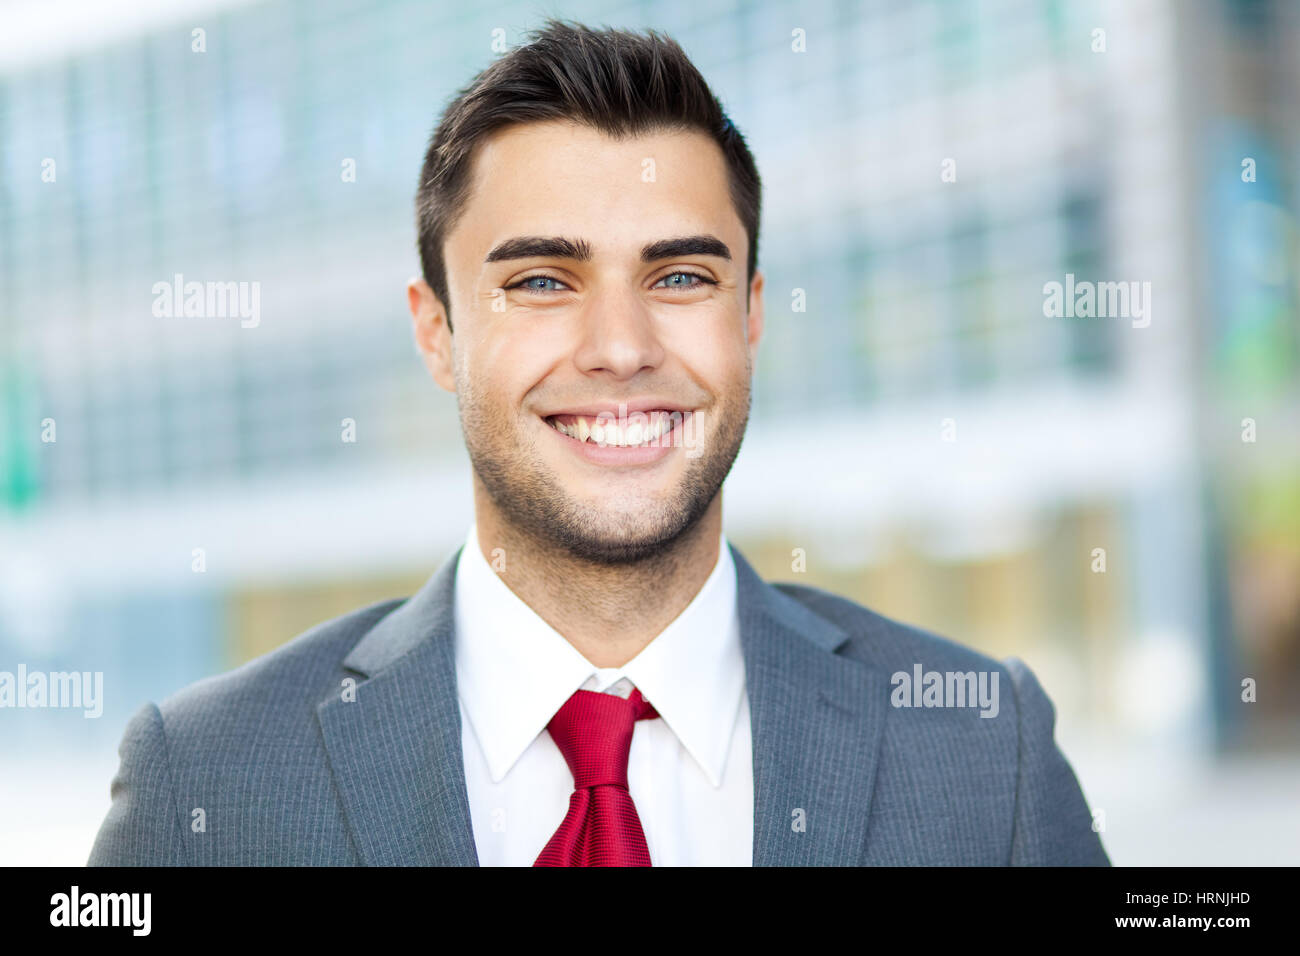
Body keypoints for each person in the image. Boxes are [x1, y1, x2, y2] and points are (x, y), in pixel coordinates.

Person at [88, 18, 1109, 867]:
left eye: (679, 277)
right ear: (437, 331)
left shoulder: (985, 746)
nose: (620, 348)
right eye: (540, 281)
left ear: (749, 317)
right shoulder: (206, 780)